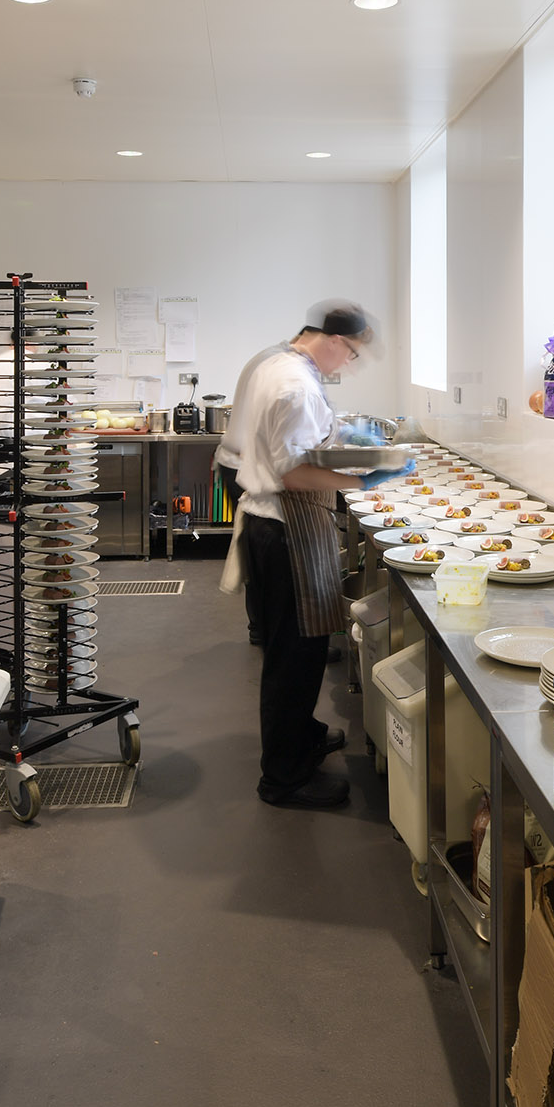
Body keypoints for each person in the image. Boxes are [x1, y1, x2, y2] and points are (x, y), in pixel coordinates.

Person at [224, 300, 410, 809]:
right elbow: (294, 473)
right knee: (294, 658)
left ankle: (301, 736)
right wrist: (365, 480)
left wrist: (344, 437)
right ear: (332, 340)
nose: (348, 364)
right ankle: (283, 778)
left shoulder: (283, 364)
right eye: (351, 354)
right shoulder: (297, 385)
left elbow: (304, 443)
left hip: (276, 524)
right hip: (286, 528)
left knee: (299, 650)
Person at [213, 340, 290, 645]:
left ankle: (261, 627)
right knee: (264, 548)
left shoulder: (271, 358)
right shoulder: (283, 368)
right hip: (242, 464)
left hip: (235, 461)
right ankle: (269, 630)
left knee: (256, 548)